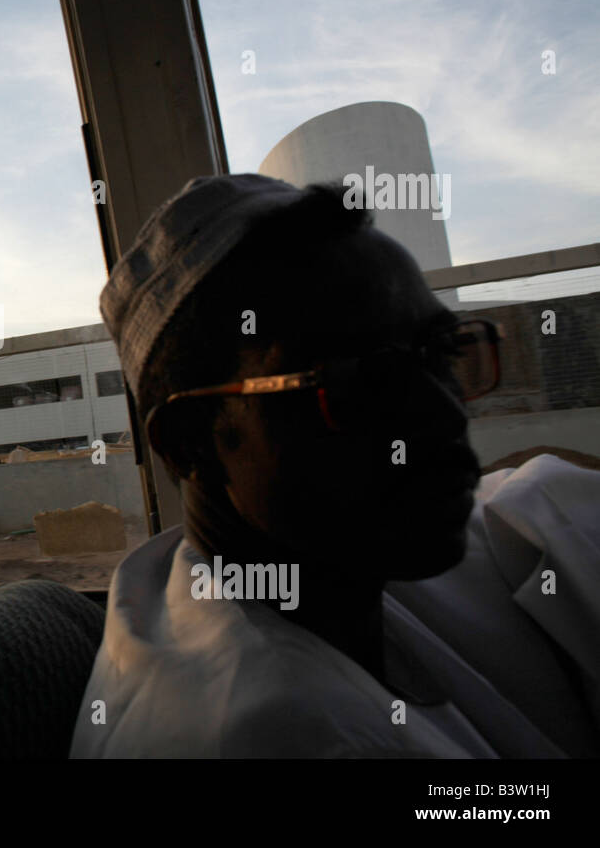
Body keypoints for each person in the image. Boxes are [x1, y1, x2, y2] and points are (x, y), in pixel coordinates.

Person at [71, 174, 599, 758]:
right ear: (189, 443)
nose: (445, 413)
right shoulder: (277, 734)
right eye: (364, 381)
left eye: (441, 353)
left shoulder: (325, 563)